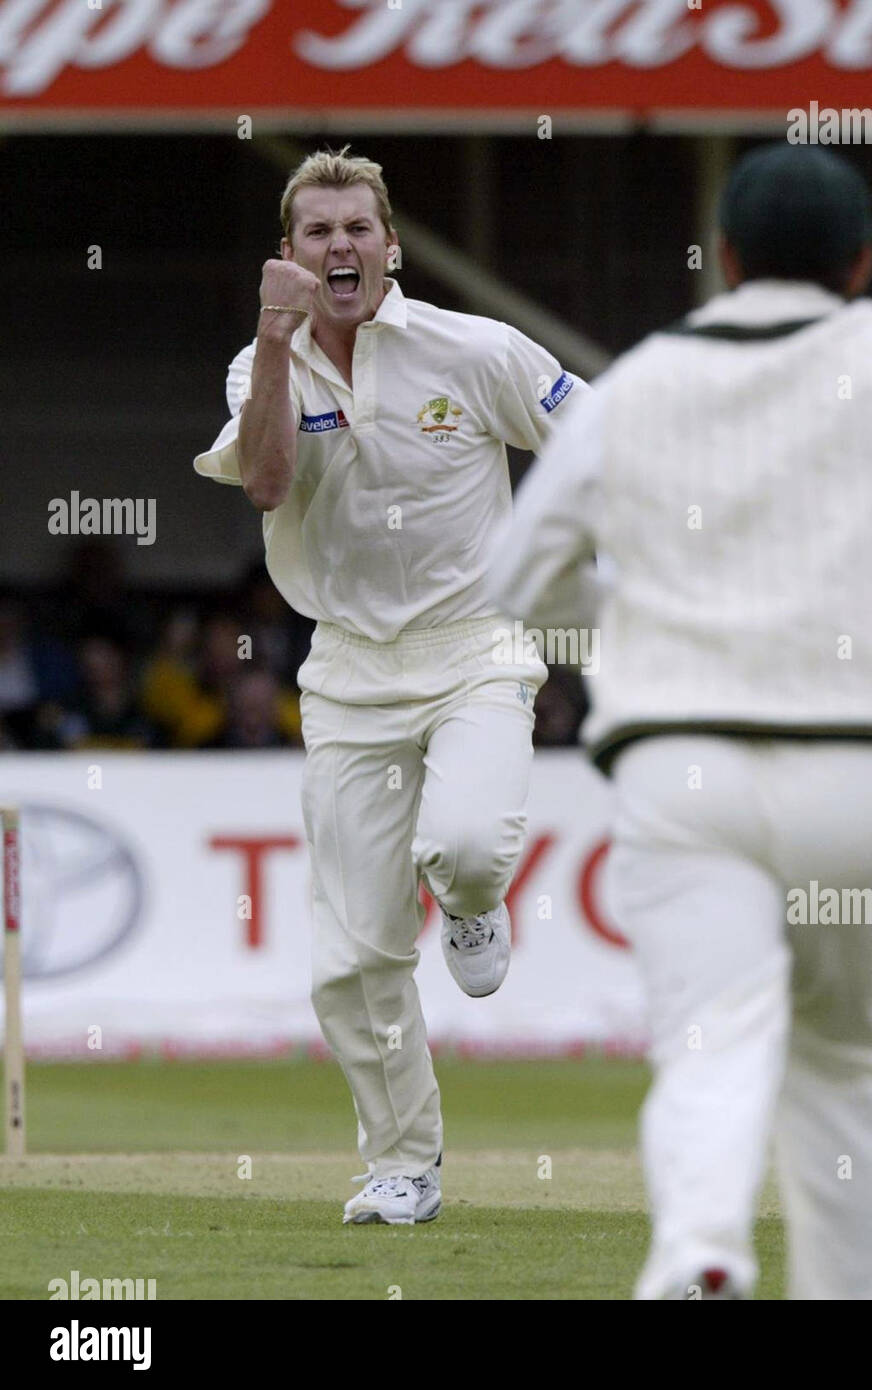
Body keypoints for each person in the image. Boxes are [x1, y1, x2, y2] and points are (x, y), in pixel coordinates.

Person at [489, 57, 872, 1299]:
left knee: (709, 1039)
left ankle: (699, 1252)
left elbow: (516, 579)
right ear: (862, 262)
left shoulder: (632, 387)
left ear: (726, 253)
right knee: (852, 1055)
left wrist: (631, 619)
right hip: (857, 774)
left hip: (679, 766)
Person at [194, 147, 587, 1226]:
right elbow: (266, 481)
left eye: (356, 228)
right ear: (288, 256)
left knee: (463, 847)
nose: (339, 247)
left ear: (391, 247)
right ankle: (403, 1164)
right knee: (352, 955)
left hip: (476, 645)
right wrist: (275, 350)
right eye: (316, 232)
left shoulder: (472, 349)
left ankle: (469, 901)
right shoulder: (256, 368)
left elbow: (593, 437)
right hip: (350, 669)